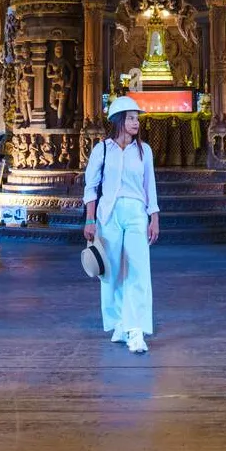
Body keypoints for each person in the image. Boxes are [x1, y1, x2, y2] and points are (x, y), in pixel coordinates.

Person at [83, 96, 160, 353]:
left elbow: (150, 186)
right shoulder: (102, 149)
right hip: (108, 214)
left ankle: (136, 330)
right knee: (111, 271)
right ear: (118, 121)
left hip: (136, 212)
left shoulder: (144, 150)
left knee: (138, 269)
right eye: (131, 118)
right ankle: (118, 323)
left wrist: (154, 217)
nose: (136, 122)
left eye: (137, 118)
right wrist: (90, 220)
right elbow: (91, 187)